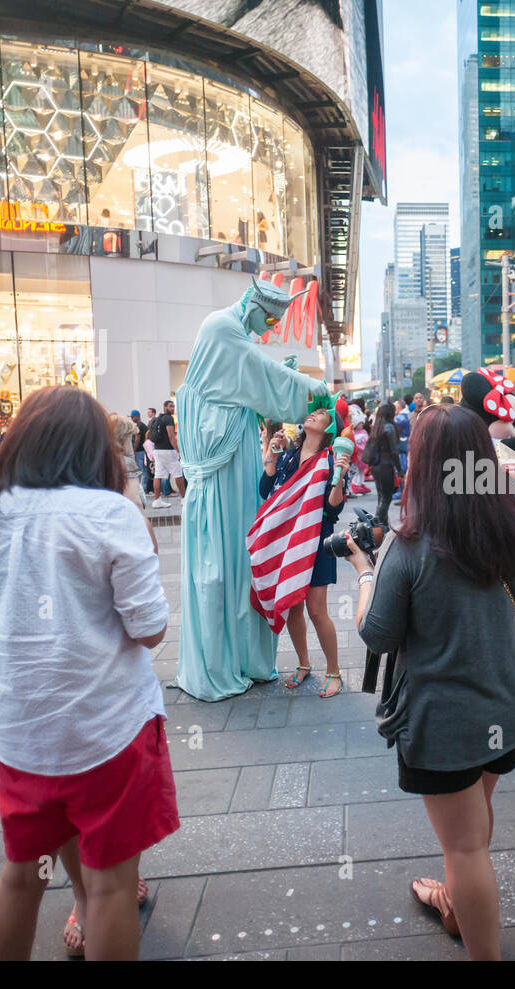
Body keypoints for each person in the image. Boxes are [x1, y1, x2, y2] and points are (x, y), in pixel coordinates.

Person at [0, 386, 177, 960]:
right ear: (94, 450)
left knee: (20, 878)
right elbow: (149, 629)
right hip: (109, 734)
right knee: (112, 886)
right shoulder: (112, 514)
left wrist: (12, 627)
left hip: (21, 743)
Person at [349, 404, 515, 961]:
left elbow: (378, 635)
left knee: (465, 847)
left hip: (446, 718)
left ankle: (478, 935)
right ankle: (456, 904)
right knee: (473, 829)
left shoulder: (408, 545)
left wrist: (364, 574)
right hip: (506, 702)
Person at [170, 278, 326, 703]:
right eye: (270, 317)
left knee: (242, 555)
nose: (271, 326)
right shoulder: (223, 327)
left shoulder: (233, 330)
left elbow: (253, 384)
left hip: (233, 454)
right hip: (222, 461)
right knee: (223, 562)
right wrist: (305, 388)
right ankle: (224, 663)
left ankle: (247, 659)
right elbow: (259, 375)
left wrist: (286, 379)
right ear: (255, 304)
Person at [263, 400, 351, 699]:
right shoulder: (288, 456)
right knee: (293, 607)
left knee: (317, 610)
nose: (313, 415)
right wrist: (269, 463)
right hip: (288, 538)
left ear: (329, 429)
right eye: (313, 413)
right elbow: (267, 492)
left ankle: (334, 671)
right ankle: (303, 664)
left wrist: (339, 480)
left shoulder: (331, 461)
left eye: (321, 415)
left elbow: (332, 509)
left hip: (317, 539)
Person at [367, 403, 401, 525]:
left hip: (376, 466)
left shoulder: (377, 427)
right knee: (387, 497)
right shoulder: (389, 427)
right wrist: (400, 469)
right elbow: (394, 451)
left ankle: (383, 524)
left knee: (381, 496)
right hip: (386, 466)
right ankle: (378, 523)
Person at [149, 399, 185, 508]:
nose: (173, 408)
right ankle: (184, 499)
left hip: (157, 450)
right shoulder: (169, 418)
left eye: (173, 406)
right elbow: (171, 436)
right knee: (178, 473)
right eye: (170, 406)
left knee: (158, 475)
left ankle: (157, 501)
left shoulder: (158, 418)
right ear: (165, 407)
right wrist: (178, 451)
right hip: (168, 451)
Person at [110, 414, 144, 509]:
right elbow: (135, 501)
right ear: (123, 438)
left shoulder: (104, 458)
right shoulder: (126, 463)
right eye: (129, 437)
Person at [130, 410, 150, 493]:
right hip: (144, 451)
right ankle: (144, 488)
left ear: (136, 416)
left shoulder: (138, 425)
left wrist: (133, 451)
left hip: (139, 451)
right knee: (144, 470)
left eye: (132, 417)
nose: (131, 419)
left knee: (141, 471)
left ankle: (142, 489)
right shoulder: (143, 425)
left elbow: (137, 440)